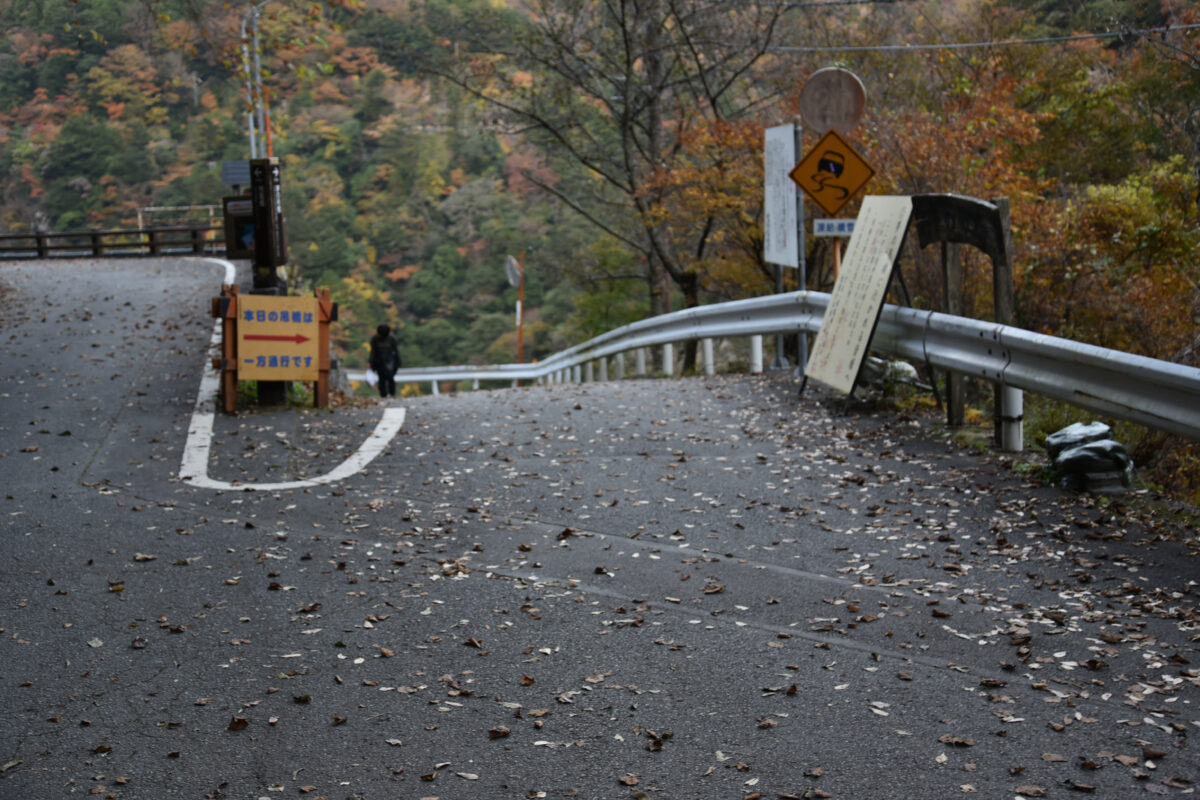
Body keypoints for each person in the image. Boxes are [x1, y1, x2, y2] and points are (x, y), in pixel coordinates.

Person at [369, 324, 401, 398]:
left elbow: (396, 351)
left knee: (390, 377)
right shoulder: (375, 339)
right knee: (382, 378)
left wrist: (398, 361)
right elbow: (373, 351)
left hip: (390, 360)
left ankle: (391, 393)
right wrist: (371, 362)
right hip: (379, 361)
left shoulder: (391, 339)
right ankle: (384, 394)